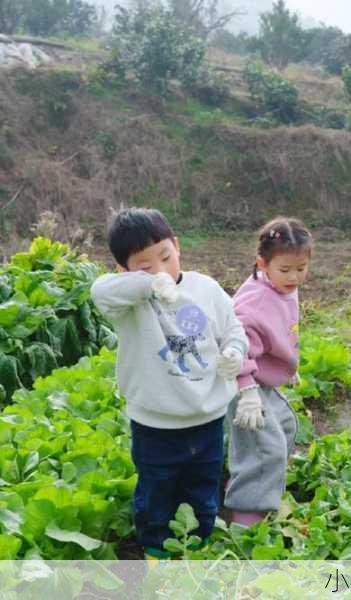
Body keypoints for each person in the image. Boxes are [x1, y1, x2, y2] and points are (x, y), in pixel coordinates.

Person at [90, 207, 248, 559]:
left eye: (166, 256)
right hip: (156, 425)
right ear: (124, 270)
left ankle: (200, 547)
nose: (161, 268)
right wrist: (150, 284)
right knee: (156, 492)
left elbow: (233, 328)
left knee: (203, 487)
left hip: (207, 420)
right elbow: (99, 291)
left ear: (177, 246)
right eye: (145, 265)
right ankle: (157, 553)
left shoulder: (205, 288)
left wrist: (235, 351)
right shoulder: (129, 302)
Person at [224, 216, 312, 527]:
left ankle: (259, 486)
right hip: (242, 381)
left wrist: (291, 366)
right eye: (285, 270)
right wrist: (246, 392)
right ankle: (246, 524)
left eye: (301, 269)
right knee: (265, 448)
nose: (294, 277)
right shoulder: (254, 304)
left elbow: (282, 332)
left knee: (285, 426)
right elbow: (234, 348)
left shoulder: (282, 286)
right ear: (262, 263)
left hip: (263, 377)